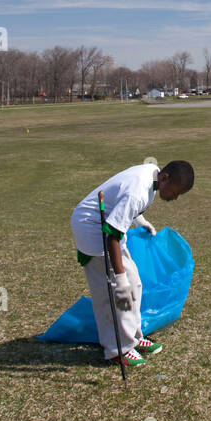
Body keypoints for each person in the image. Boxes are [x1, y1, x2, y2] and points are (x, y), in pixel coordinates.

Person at [70, 159, 194, 371]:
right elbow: (112, 235)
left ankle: (134, 337)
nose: (175, 198)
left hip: (107, 227)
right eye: (175, 192)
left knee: (134, 284)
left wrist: (141, 222)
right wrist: (119, 277)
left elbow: (125, 207)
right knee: (114, 292)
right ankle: (118, 350)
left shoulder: (153, 175)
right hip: (92, 228)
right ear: (165, 178)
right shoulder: (139, 189)